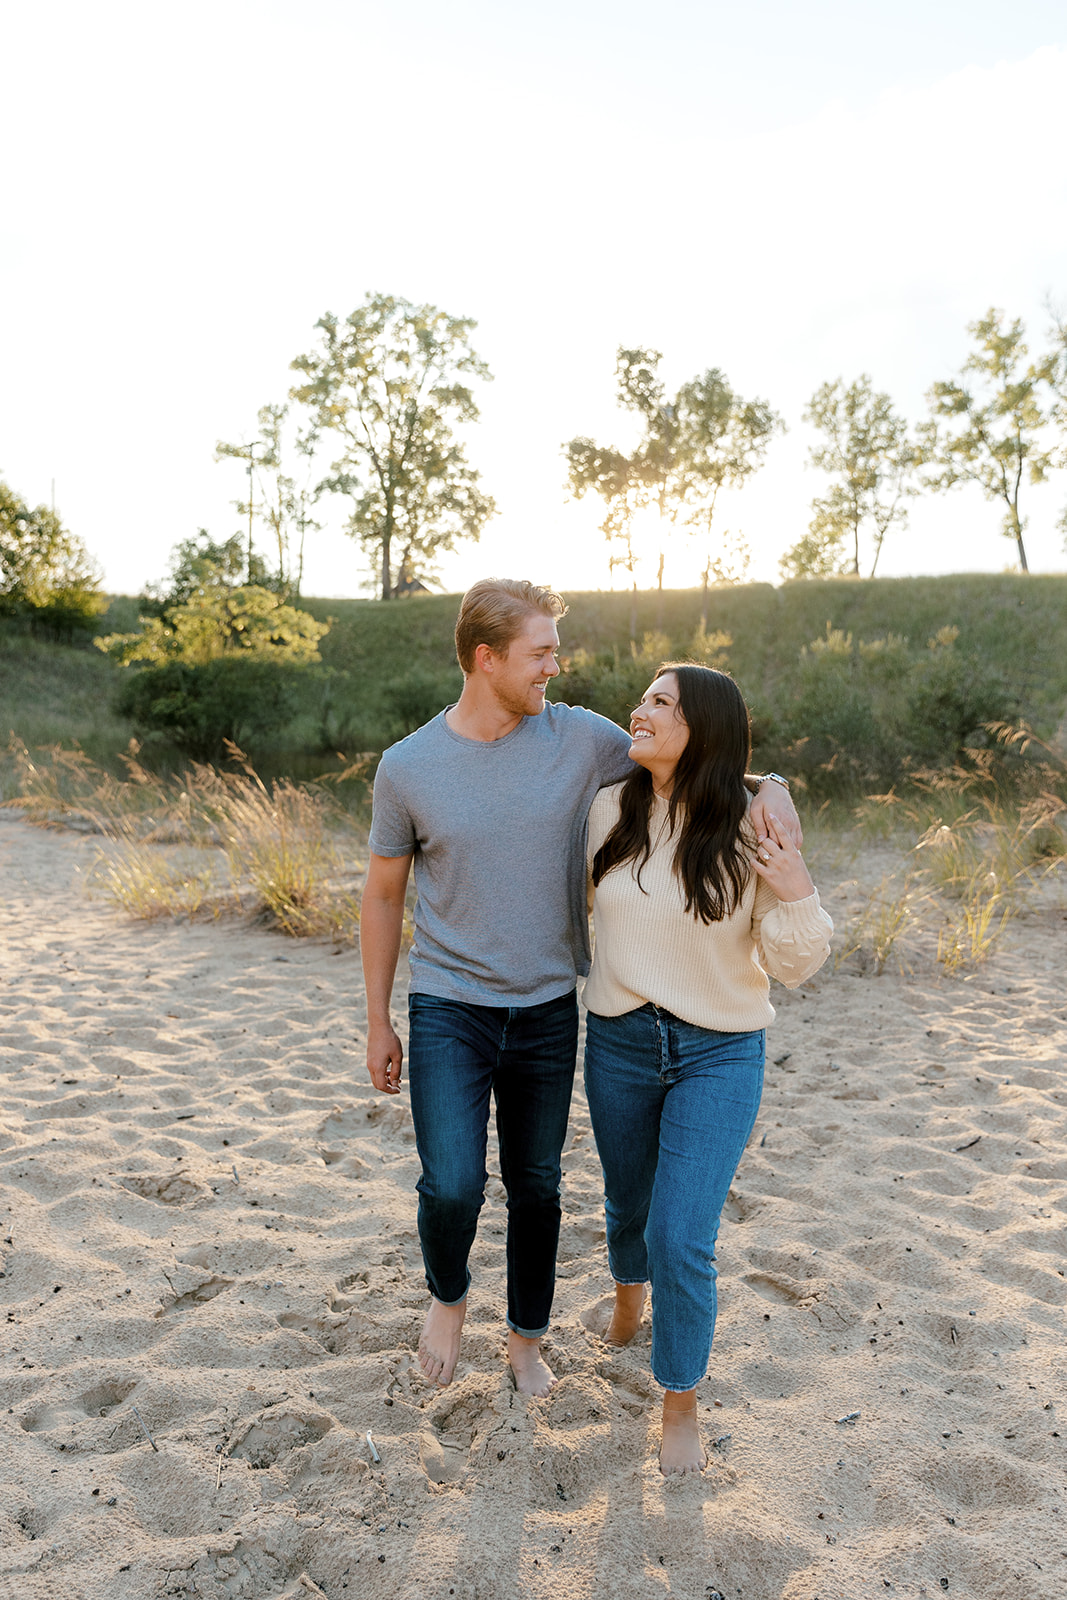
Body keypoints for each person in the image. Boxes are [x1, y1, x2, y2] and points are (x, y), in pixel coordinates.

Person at [360, 580, 801, 1397]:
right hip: (447, 1002)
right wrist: (378, 1019)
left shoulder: (584, 740)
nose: (555, 668)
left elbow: (697, 759)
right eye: (540, 654)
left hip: (547, 1007)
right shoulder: (408, 767)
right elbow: (383, 895)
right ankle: (449, 1298)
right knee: (452, 1182)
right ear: (486, 659)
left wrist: (767, 780)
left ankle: (526, 1337)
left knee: (538, 1185)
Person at [583, 662, 832, 1472]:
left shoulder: (750, 824)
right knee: (626, 1202)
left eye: (662, 702)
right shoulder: (606, 810)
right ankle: (627, 1307)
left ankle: (679, 1399)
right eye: (645, 696)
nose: (640, 708)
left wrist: (793, 885)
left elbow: (796, 964)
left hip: (718, 1052)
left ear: (704, 730)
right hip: (618, 1042)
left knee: (679, 1233)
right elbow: (592, 914)